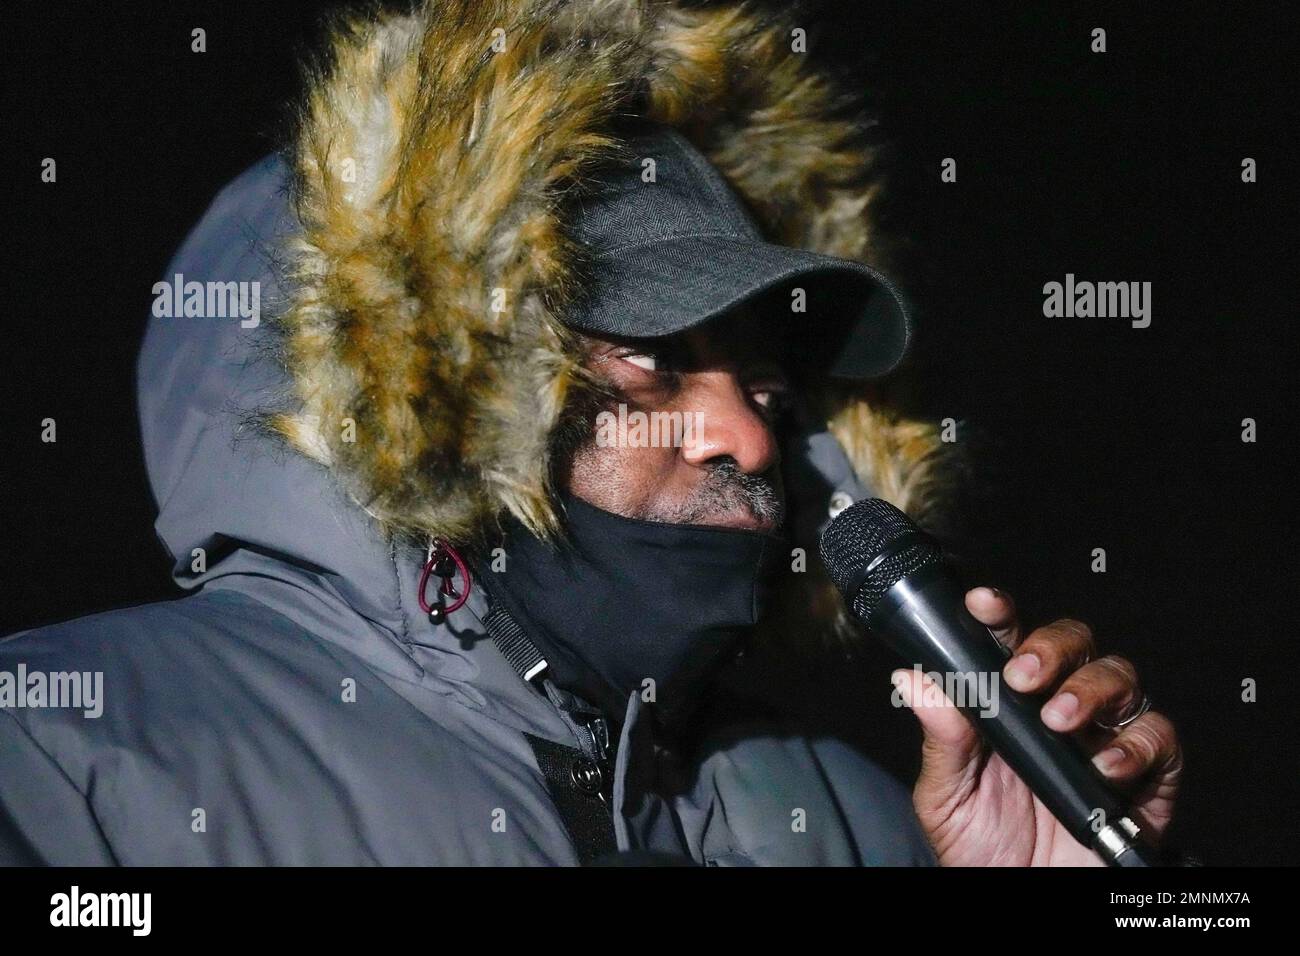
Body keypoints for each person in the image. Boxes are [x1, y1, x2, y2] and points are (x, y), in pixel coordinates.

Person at [0, 0, 1180, 865]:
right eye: (649, 358)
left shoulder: (863, 820)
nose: (746, 439)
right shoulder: (60, 746)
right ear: (428, 382)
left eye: (769, 389)